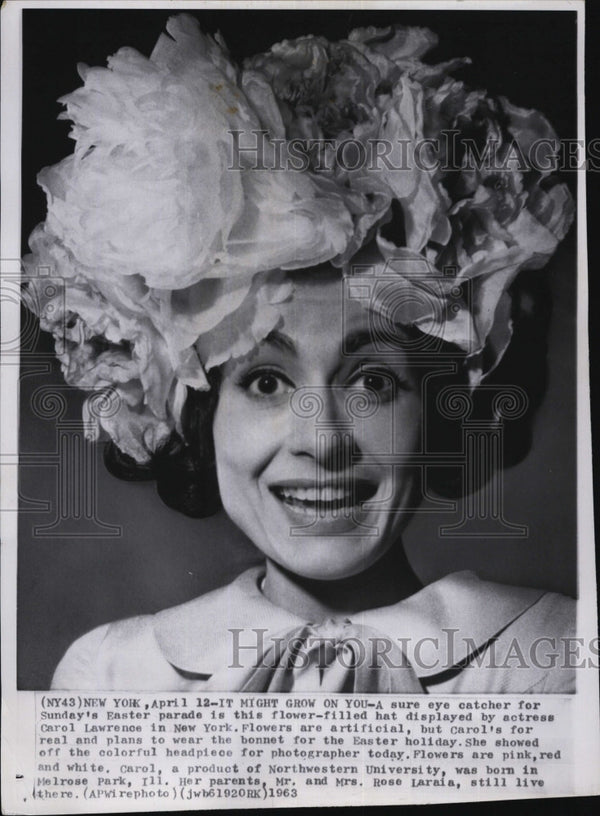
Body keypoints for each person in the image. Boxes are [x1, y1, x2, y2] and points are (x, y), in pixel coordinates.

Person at [23, 14, 575, 692]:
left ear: (443, 406)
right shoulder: (112, 675)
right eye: (264, 382)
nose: (322, 440)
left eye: (372, 382)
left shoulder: (557, 662)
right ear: (196, 416)